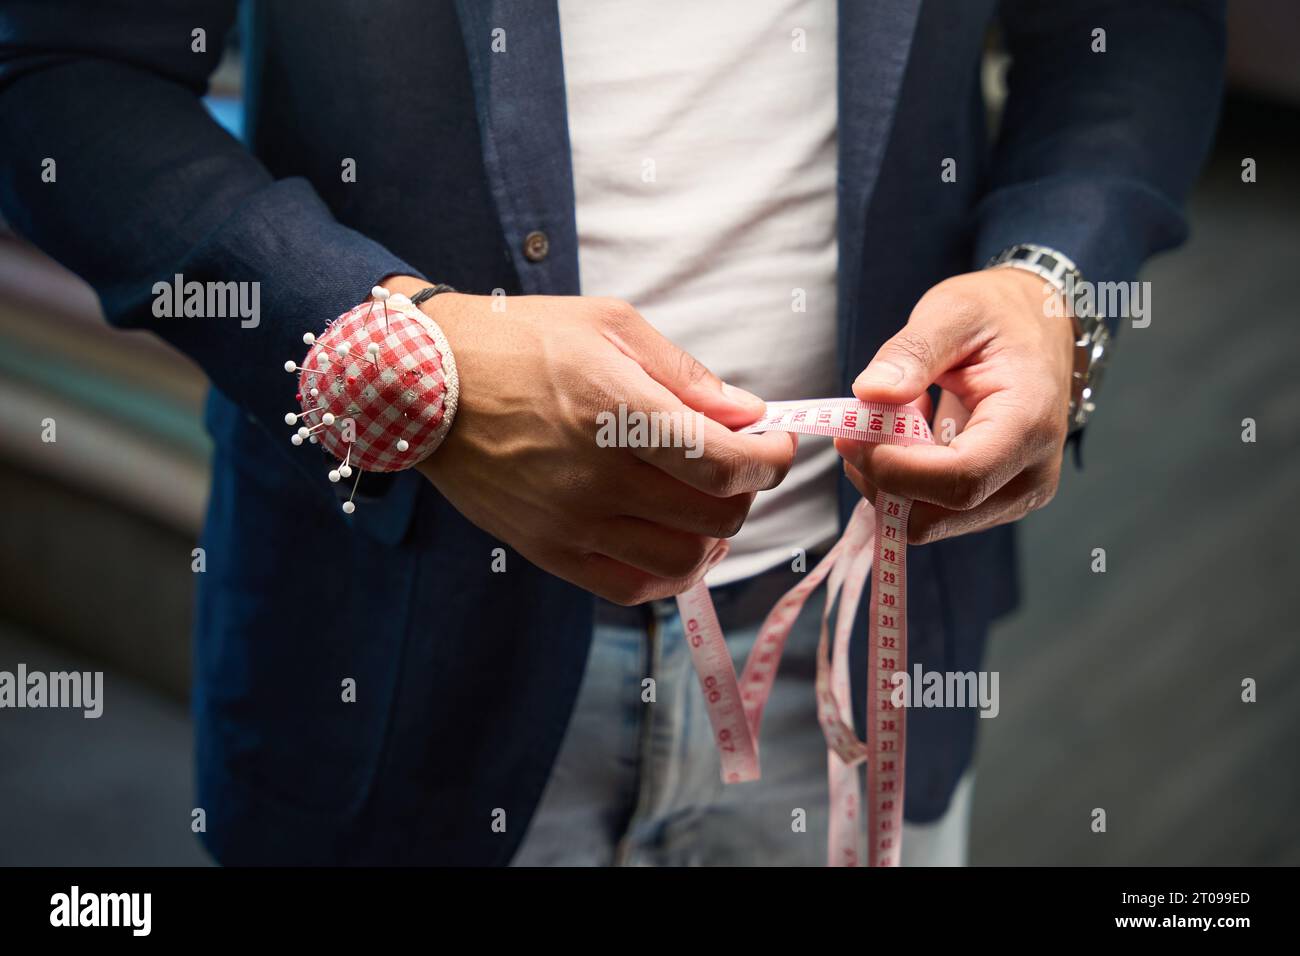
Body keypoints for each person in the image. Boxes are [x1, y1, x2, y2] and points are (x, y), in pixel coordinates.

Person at [0, 0, 1225, 865]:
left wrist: (1052, 282)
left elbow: (1130, 31)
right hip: (390, 653)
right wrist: (410, 364)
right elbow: (57, 72)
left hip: (868, 656)